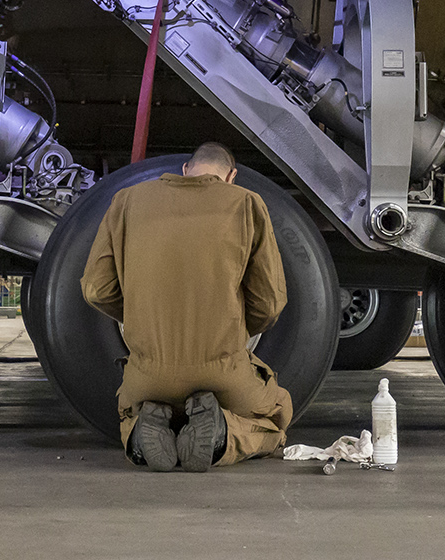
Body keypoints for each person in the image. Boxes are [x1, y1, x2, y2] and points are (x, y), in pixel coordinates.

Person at [81, 141, 292, 472]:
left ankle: (141, 433)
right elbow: (269, 303)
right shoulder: (246, 203)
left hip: (148, 376)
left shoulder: (126, 200)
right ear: (231, 176)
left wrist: (139, 312)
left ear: (185, 170)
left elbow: (96, 289)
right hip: (223, 374)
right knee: (276, 414)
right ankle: (222, 435)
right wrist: (234, 325)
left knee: (129, 411)